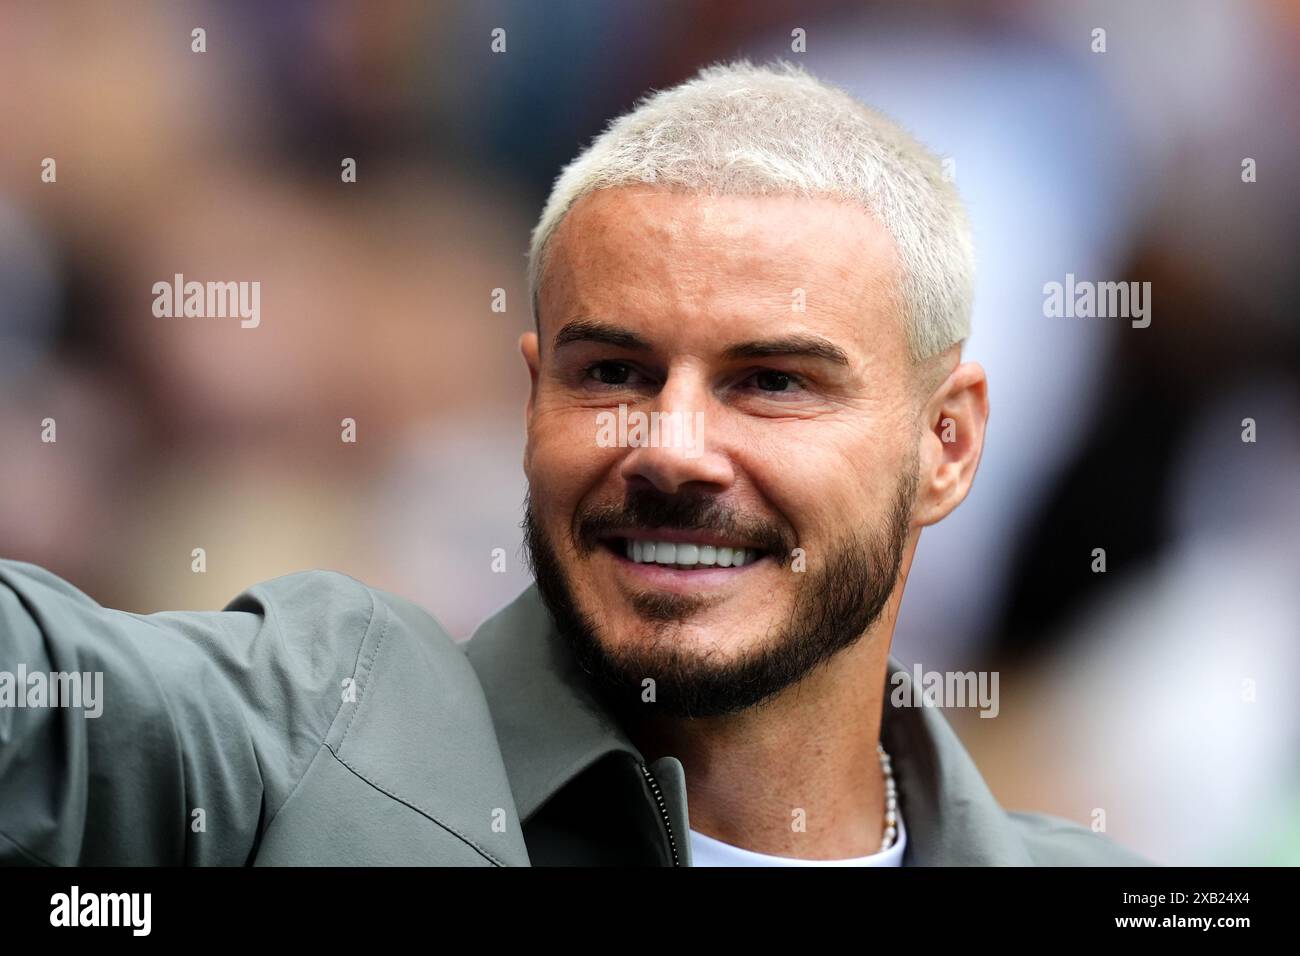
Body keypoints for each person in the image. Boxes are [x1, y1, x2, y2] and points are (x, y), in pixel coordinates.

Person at [0, 61, 1147, 866]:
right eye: (612, 373)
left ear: (944, 443)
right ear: (529, 398)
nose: (672, 449)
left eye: (773, 381)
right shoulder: (303, 737)